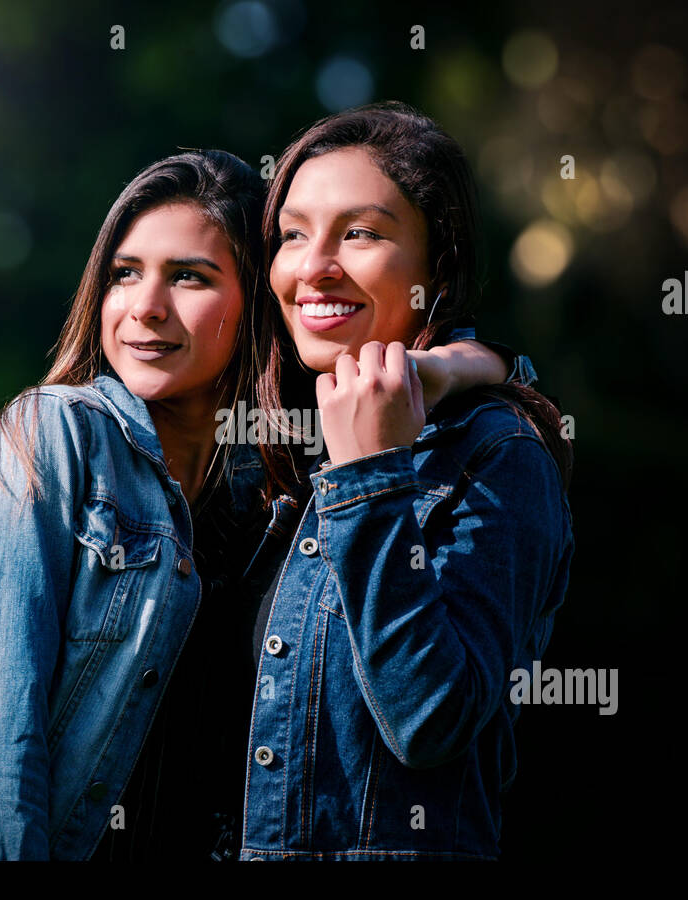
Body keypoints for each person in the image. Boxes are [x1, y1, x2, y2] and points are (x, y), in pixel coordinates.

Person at [0, 144, 520, 860]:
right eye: (125, 274)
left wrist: (467, 361)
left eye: (189, 277)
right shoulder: (53, 435)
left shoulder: (283, 503)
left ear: (257, 301)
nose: (145, 307)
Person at [237, 101, 575, 859]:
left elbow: (428, 720)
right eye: (293, 233)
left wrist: (371, 479)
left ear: (437, 265)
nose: (314, 265)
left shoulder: (497, 456)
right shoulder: (280, 452)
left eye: (359, 232)